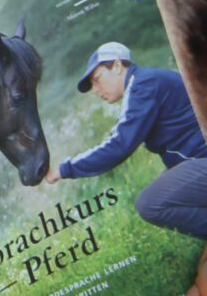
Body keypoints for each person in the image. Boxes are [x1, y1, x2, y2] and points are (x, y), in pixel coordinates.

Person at [45, 41, 207, 293]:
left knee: (150, 203)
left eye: (98, 79)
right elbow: (120, 135)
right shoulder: (146, 84)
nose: (96, 90)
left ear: (118, 66)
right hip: (199, 160)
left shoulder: (142, 85)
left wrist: (64, 169)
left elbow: (119, 145)